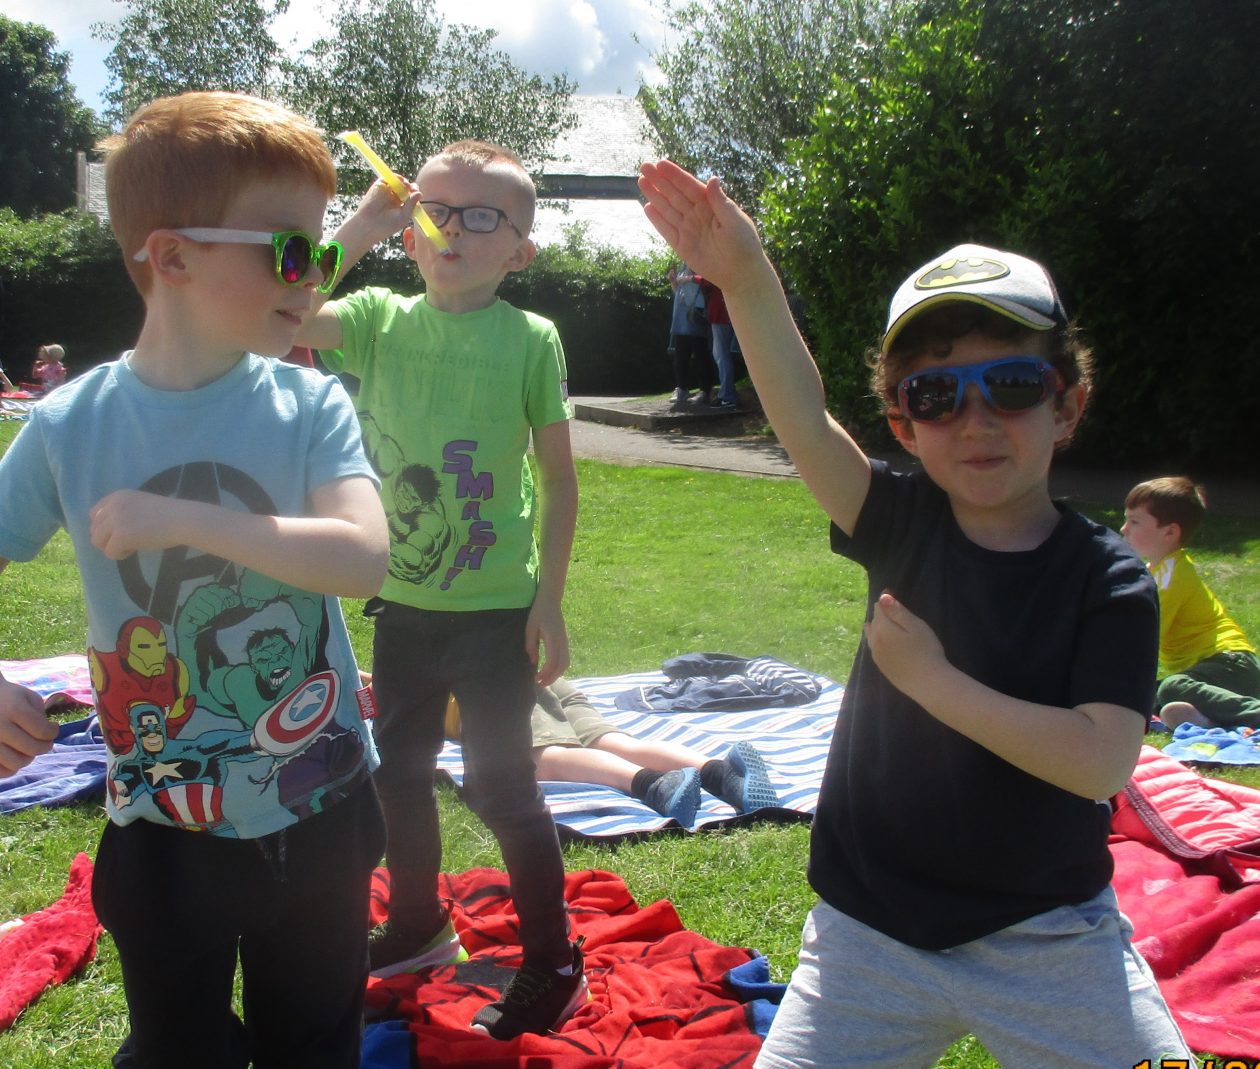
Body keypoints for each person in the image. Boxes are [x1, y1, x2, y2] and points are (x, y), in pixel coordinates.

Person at [637, 160, 1193, 1068]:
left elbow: (1101, 758)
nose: (975, 419)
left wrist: (932, 680)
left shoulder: (1110, 577)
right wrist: (743, 277)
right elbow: (807, 420)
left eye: (1011, 386)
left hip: (1048, 936)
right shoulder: (897, 522)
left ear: (1068, 405)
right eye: (937, 394)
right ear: (903, 423)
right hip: (870, 933)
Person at [0, 91, 390, 1069]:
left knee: (316, 1046)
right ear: (171, 256)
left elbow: (360, 554)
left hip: (322, 804)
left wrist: (178, 518)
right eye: (290, 250)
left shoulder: (309, 403)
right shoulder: (66, 427)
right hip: (164, 828)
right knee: (178, 1052)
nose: (315, 275)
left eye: (322, 249)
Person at [295, 139, 582, 1040]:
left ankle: (555, 961)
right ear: (411, 232)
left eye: (481, 215)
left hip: (499, 612)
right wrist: (362, 225)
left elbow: (560, 479)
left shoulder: (532, 340)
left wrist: (552, 599)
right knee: (401, 775)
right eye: (434, 209)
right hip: (404, 605)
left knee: (502, 788)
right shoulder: (379, 318)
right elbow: (283, 306)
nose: (451, 227)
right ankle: (418, 924)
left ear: (520, 249)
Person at [447, 678, 781, 826]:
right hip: (548, 678)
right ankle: (721, 774)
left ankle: (652, 785)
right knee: (610, 743)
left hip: (494, 686)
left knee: (539, 755)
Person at [1121, 476, 1260, 729]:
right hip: (1209, 674)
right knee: (1147, 693)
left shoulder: (1172, 575)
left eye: (1134, 521)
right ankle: (1206, 719)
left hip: (1231, 663)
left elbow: (1140, 637)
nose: (1124, 529)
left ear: (1170, 532)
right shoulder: (1157, 571)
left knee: (1173, 686)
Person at [666, 263, 715, 407]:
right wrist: (673, 282)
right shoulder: (682, 266)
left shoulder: (699, 261)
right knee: (680, 355)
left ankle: (705, 391)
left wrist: (688, 279)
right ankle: (681, 388)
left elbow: (707, 281)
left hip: (695, 314)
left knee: (701, 355)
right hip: (681, 317)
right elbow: (678, 292)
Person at [699, 278, 740, 408]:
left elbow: (708, 278)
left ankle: (728, 396)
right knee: (720, 355)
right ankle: (726, 394)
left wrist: (689, 278)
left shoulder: (719, 263)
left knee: (722, 356)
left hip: (720, 313)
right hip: (722, 312)